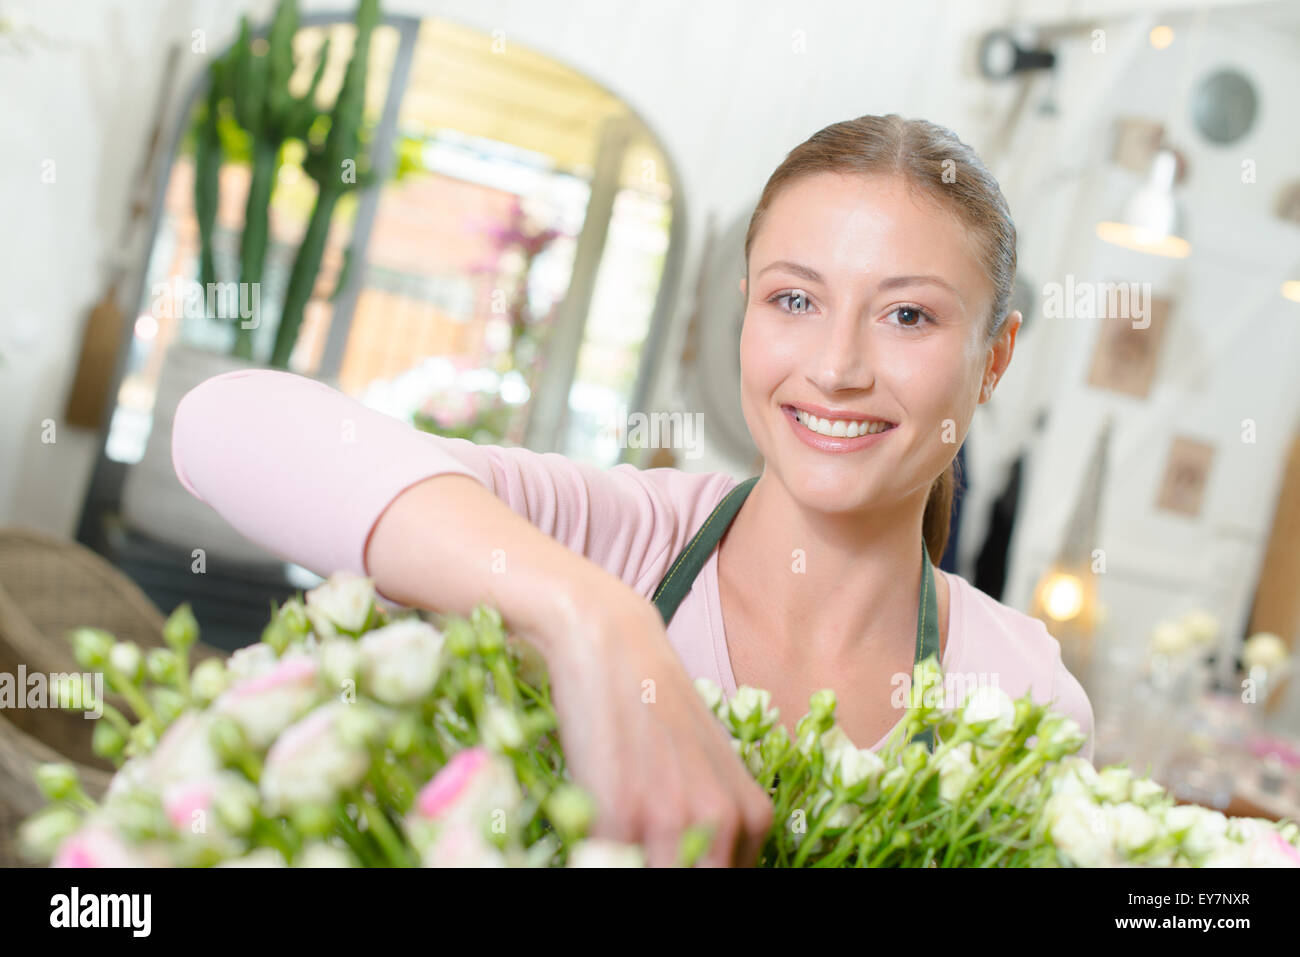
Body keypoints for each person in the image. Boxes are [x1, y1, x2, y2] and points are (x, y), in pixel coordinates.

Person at [170, 113, 1094, 869]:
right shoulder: (612, 541)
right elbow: (223, 421)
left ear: (994, 359)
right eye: (795, 300)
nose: (837, 366)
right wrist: (596, 622)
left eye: (907, 315)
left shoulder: (1023, 698)